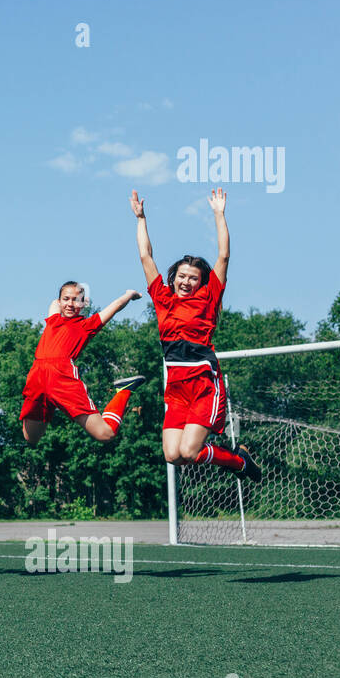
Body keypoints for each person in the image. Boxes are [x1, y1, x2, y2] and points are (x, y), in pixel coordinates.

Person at [131, 187, 261, 479]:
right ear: (174, 277)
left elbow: (224, 256)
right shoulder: (163, 299)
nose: (187, 281)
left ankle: (239, 462)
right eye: (182, 276)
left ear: (201, 283)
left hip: (203, 385)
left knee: (190, 452)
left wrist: (219, 214)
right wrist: (141, 219)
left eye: (193, 278)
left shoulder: (208, 298)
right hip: (176, 390)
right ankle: (236, 459)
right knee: (172, 455)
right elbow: (145, 256)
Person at [20, 282, 146, 445]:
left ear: (84, 303)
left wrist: (129, 295)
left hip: (62, 377)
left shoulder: (86, 326)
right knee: (31, 438)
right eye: (66, 299)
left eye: (76, 300)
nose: (70, 304)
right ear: (59, 302)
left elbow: (114, 307)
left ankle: (124, 390)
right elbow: (54, 304)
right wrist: (67, 294)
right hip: (37, 378)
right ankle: (51, 405)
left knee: (106, 434)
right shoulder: (53, 320)